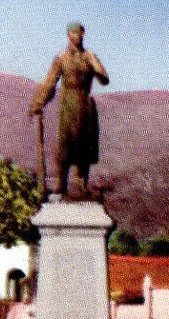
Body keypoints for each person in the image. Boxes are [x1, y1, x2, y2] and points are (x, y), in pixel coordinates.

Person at [28, 22, 109, 198]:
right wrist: (38, 102)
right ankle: (61, 183)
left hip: (85, 103)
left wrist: (95, 63)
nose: (78, 36)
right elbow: (50, 83)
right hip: (68, 104)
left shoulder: (89, 56)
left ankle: (81, 183)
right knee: (65, 144)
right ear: (69, 35)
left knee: (84, 145)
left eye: (80, 33)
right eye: (74, 33)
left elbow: (104, 79)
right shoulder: (61, 59)